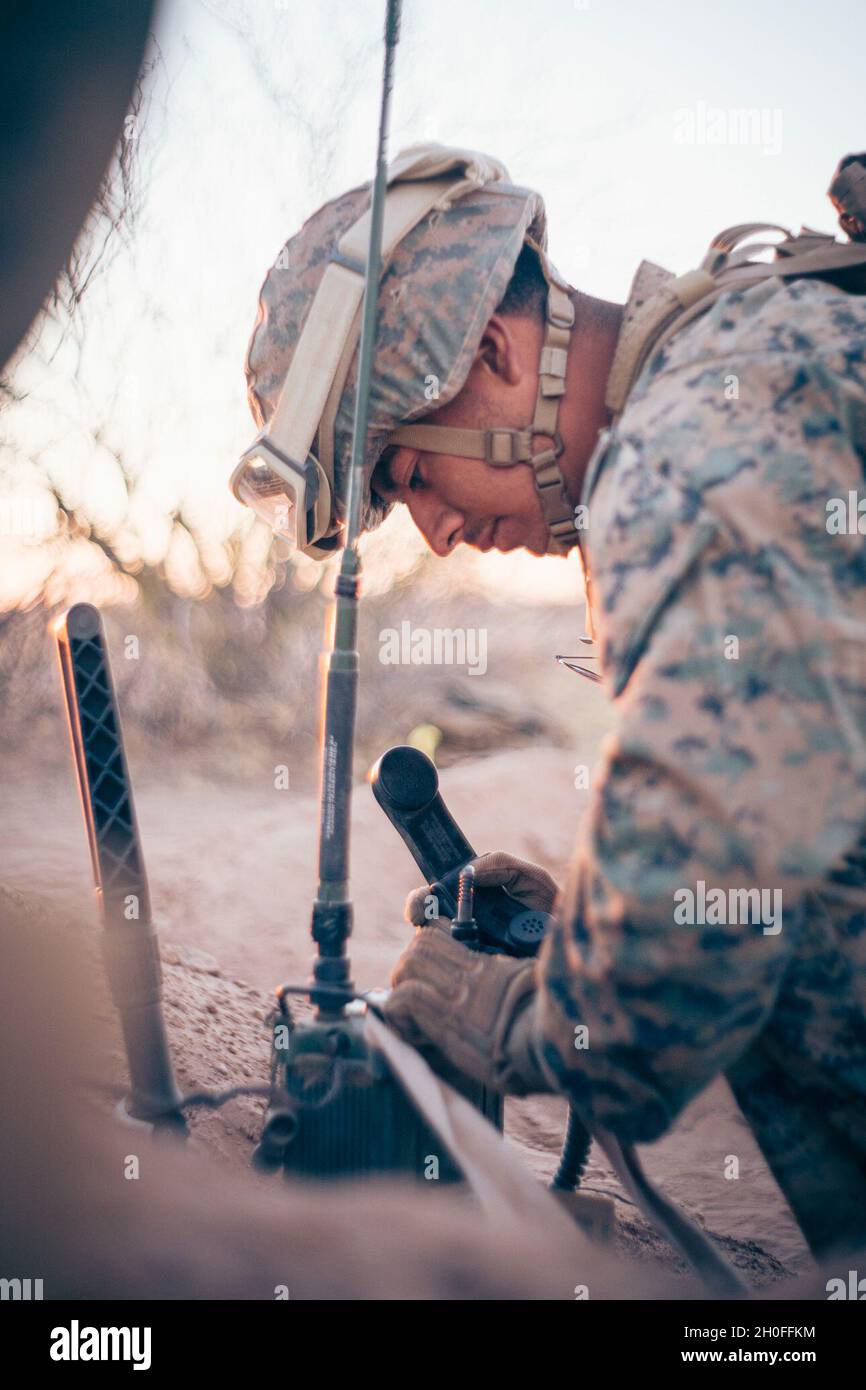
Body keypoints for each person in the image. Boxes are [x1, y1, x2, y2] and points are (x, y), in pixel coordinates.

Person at [237, 144, 866, 1259]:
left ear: (491, 350)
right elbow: (793, 790)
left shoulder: (684, 456)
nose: (430, 531)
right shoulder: (738, 362)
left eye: (405, 476)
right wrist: (588, 916)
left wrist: (520, 1017)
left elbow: (676, 986)